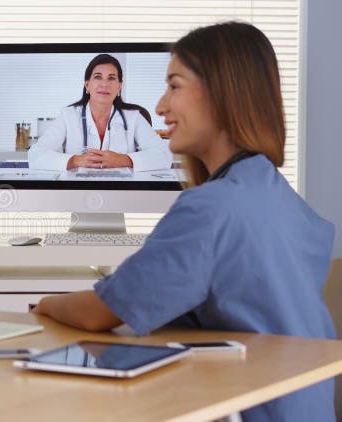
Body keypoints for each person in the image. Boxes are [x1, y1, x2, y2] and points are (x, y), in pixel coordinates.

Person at [32, 22, 335, 421]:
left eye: (174, 86)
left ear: (222, 94)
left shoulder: (210, 208)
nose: (160, 105)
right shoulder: (278, 195)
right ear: (87, 84)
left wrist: (42, 306)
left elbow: (99, 311)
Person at [28, 54, 172, 172]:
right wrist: (76, 160)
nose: (105, 84)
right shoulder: (68, 115)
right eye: (98, 77)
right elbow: (35, 155)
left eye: (111, 78)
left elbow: (164, 155)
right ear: (87, 85)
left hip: (122, 191)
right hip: (77, 192)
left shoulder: (133, 117)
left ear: (119, 86)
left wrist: (122, 160)